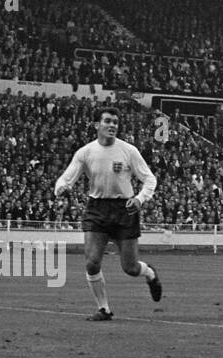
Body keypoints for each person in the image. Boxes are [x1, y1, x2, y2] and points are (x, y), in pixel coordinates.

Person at [53, 107, 163, 320]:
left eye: (115, 122)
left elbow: (150, 179)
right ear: (97, 125)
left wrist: (140, 199)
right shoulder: (85, 152)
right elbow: (67, 177)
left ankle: (150, 274)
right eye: (107, 121)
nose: (112, 125)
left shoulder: (128, 150)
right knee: (92, 261)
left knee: (130, 267)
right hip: (97, 208)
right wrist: (60, 187)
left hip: (125, 209)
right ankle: (104, 309)